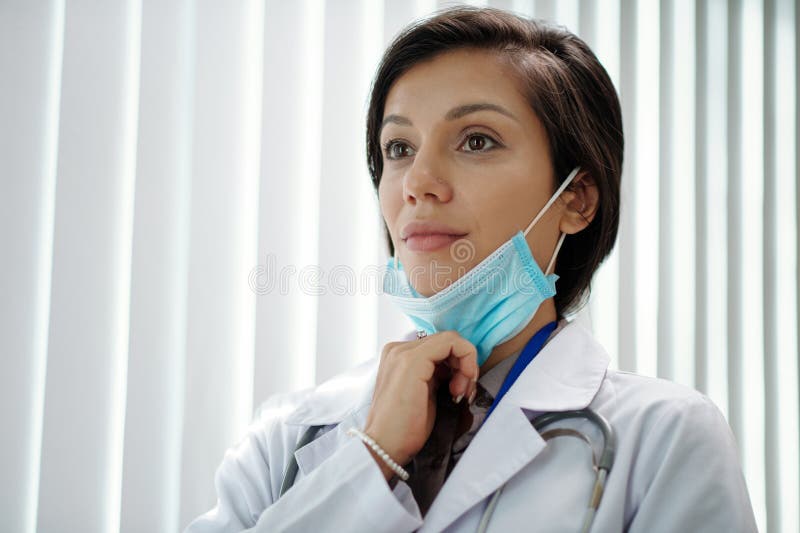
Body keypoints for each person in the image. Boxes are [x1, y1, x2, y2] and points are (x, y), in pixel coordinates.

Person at [185, 6, 757, 532]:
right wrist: (369, 458)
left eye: (476, 140)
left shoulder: (664, 440)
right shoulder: (286, 436)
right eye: (398, 149)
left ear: (577, 199)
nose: (417, 184)